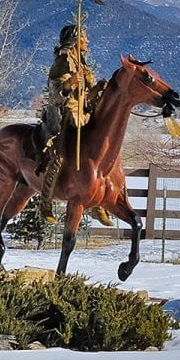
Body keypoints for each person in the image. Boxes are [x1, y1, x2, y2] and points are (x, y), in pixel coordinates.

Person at [36, 24, 112, 226]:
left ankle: (99, 203)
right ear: (75, 39)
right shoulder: (63, 61)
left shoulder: (82, 64)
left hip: (83, 115)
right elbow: (55, 91)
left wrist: (97, 90)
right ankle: (45, 203)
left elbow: (85, 99)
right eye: (84, 37)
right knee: (59, 157)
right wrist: (69, 84)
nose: (87, 41)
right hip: (66, 116)